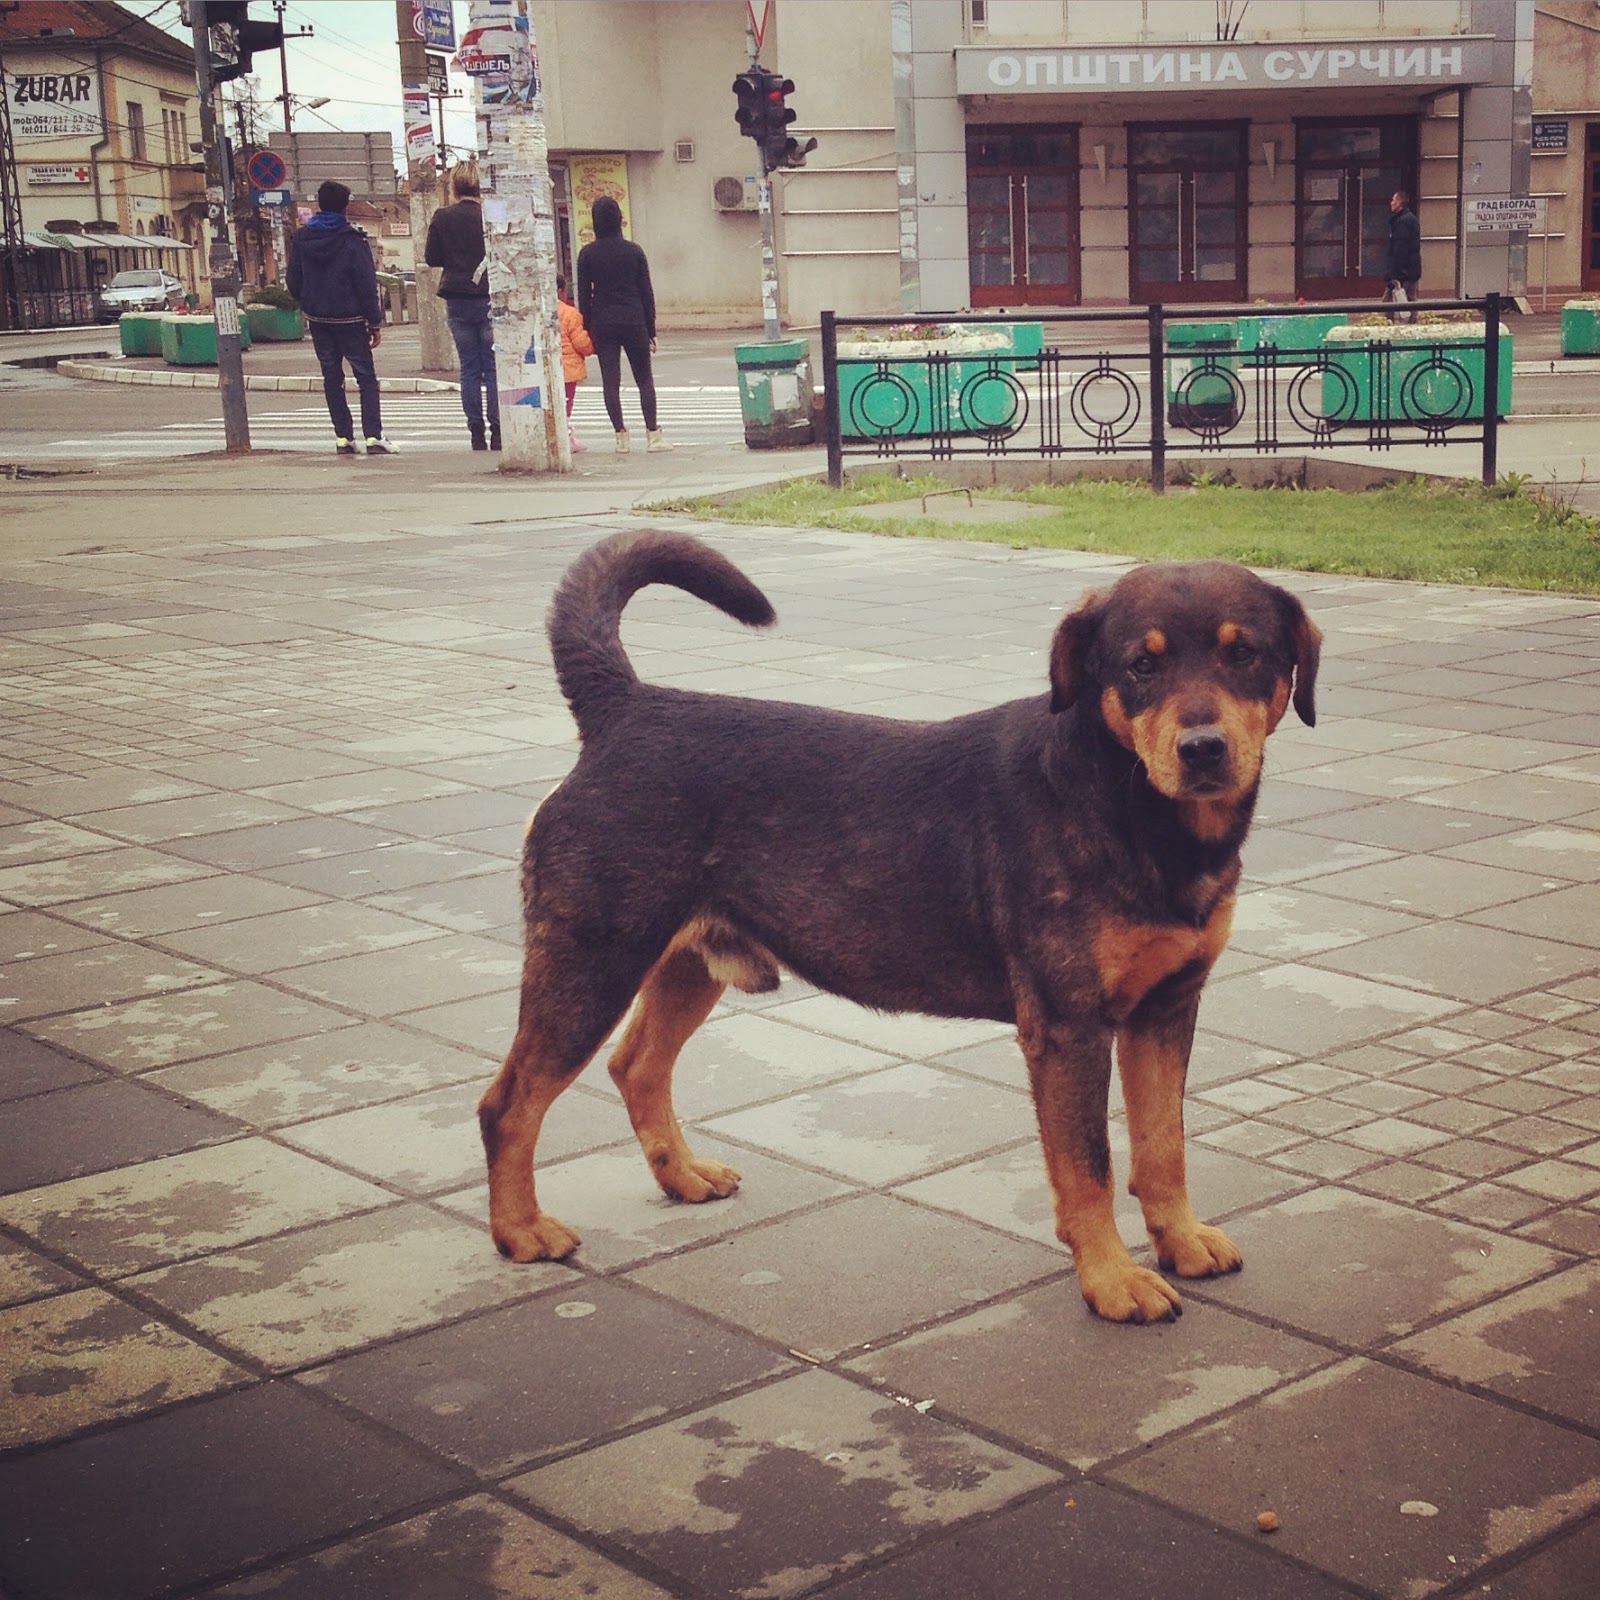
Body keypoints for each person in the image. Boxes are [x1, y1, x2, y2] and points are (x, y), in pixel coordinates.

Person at [286, 179, 393, 455]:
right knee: (365, 376)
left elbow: (293, 280)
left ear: (320, 205)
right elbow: (365, 282)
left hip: (319, 319)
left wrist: (309, 302)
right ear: (345, 207)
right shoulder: (352, 239)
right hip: (351, 319)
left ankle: (343, 438)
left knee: (331, 377)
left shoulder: (301, 239)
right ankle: (373, 436)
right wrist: (374, 321)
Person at [575, 195, 671, 453]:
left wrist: (587, 327)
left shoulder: (587, 254)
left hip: (603, 322)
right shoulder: (634, 251)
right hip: (634, 319)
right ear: (619, 219)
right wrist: (651, 330)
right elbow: (646, 292)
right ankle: (653, 435)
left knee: (610, 382)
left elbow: (584, 296)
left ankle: (621, 437)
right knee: (644, 379)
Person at [424, 158, 500, 452]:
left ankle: (475, 431)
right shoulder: (490, 217)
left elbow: (432, 258)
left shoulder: (442, 217)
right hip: (489, 297)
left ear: (454, 187)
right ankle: (498, 431)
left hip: (457, 298)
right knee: (492, 367)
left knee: (469, 368)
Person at [556, 273, 594, 454]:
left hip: (548, 368)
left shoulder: (535, 313)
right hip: (568, 369)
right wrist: (591, 348)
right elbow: (580, 342)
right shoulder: (570, 313)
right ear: (561, 291)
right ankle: (566, 436)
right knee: (565, 405)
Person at [1383, 189, 1422, 322]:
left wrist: (1395, 274)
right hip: (1409, 270)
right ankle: (1410, 326)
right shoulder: (1407, 219)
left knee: (1391, 304)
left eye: (1393, 200)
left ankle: (1392, 329)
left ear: (1399, 203)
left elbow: (1400, 249)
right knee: (1409, 301)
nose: (1391, 203)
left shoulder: (1403, 222)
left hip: (1403, 273)